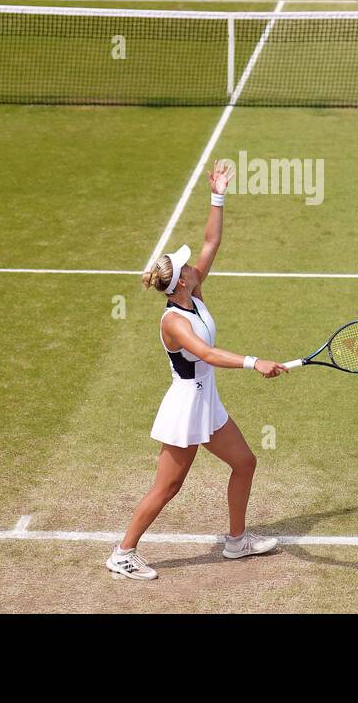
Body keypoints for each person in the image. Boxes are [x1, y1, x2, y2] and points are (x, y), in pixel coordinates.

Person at [108, 165, 287, 582]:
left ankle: (236, 541)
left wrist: (218, 195)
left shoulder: (194, 292)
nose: (194, 267)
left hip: (207, 399)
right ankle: (122, 552)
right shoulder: (174, 321)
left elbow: (211, 240)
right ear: (179, 284)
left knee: (244, 462)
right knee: (169, 486)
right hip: (186, 405)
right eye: (187, 268)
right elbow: (205, 352)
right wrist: (253, 361)